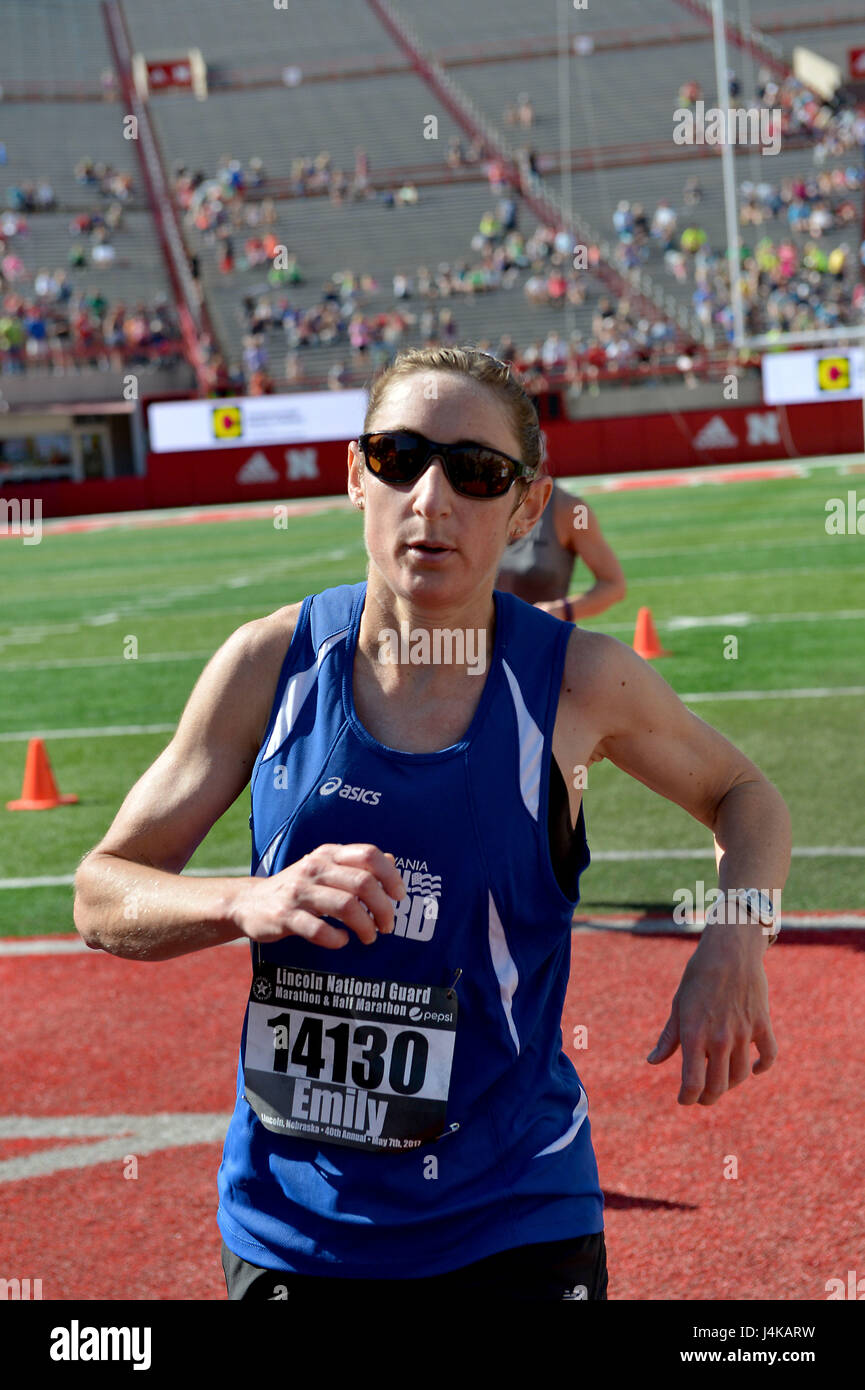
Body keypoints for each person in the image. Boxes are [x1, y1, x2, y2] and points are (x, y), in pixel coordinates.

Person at [74, 345, 790, 1304]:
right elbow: (101, 893)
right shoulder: (268, 666)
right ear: (354, 475)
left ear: (527, 507)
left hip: (515, 1215)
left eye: (476, 471)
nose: (430, 498)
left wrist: (736, 935)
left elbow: (746, 795)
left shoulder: (576, 682)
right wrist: (246, 901)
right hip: (293, 1230)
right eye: (399, 457)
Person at [496, 478, 626, 621]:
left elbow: (614, 585)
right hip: (482, 632)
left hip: (539, 631)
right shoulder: (481, 503)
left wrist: (561, 610)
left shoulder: (573, 510)